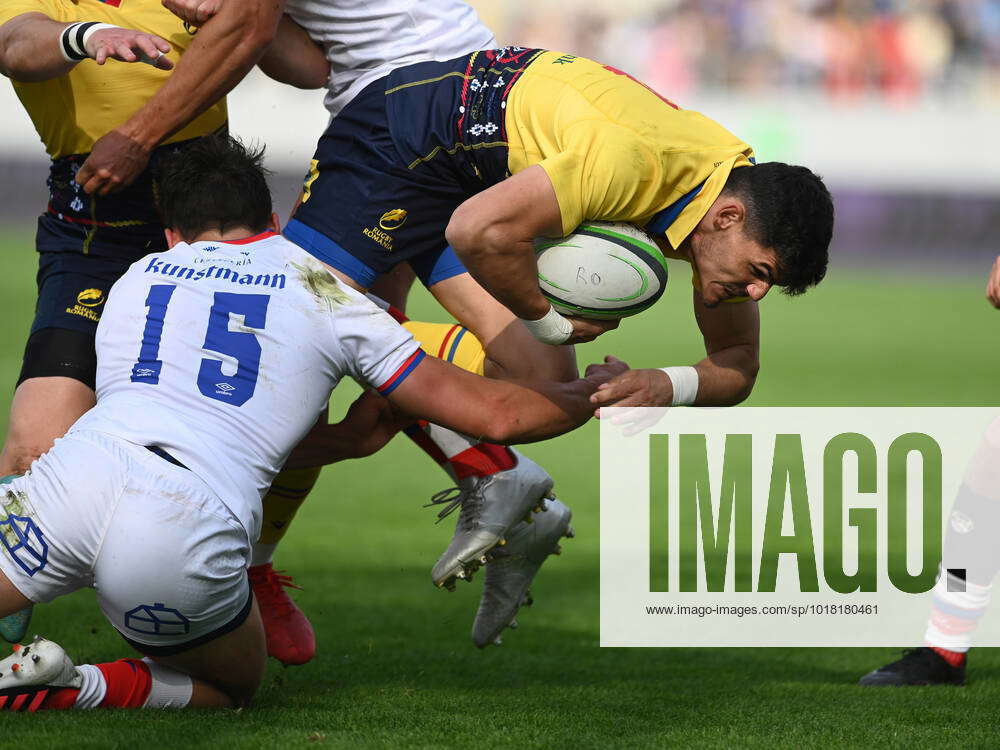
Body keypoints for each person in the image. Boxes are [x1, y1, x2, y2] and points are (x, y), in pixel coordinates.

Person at [0, 135, 614, 712]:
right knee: (230, 684)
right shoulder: (327, 293)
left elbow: (190, 420)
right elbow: (497, 414)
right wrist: (596, 393)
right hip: (181, 524)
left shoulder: (138, 277)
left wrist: (343, 443)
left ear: (170, 233)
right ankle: (75, 686)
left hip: (70, 482)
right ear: (271, 219)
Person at [149, 0, 574, 653]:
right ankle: (492, 475)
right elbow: (307, 61)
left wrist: (139, 132)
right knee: (532, 367)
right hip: (473, 91)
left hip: (400, 116)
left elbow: (253, 32)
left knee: (292, 323)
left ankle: (489, 466)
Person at [0, 0, 331, 657]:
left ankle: (254, 564)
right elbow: (15, 46)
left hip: (211, 211)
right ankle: (16, 609)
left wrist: (236, 13)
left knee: (296, 413)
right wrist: (90, 36)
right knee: (33, 449)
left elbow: (308, 67)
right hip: (95, 224)